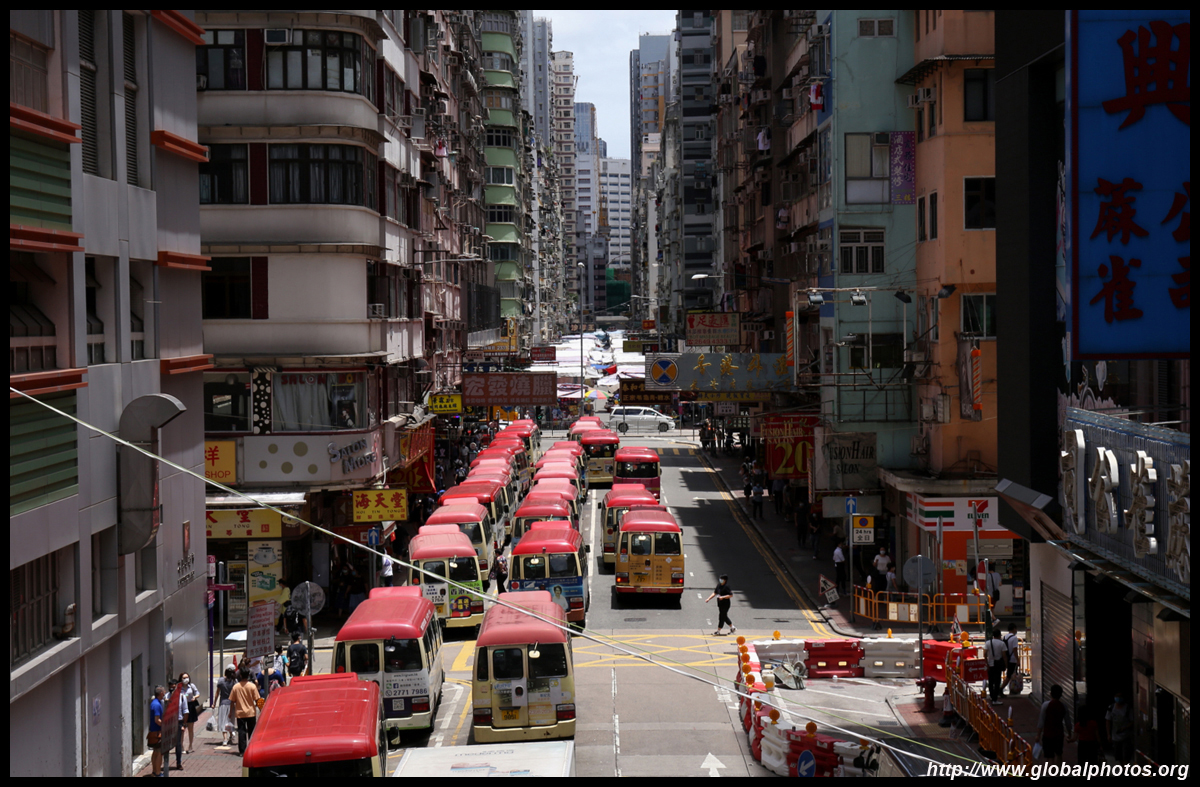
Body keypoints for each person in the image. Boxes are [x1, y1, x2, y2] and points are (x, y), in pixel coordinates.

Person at [1036, 684, 1070, 764]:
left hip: (1048, 734)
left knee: (1050, 756)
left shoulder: (1045, 705)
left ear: (1051, 694)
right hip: (1059, 734)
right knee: (1059, 754)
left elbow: (1041, 722)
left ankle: (1052, 774)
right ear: (1061, 694)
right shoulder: (1064, 706)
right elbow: (1068, 722)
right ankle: (1057, 775)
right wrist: (1069, 734)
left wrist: (1038, 735)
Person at [230, 667, 260, 756]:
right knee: (251, 732)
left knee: (241, 732)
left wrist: (230, 713)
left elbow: (232, 701)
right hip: (251, 712)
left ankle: (242, 751)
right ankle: (252, 749)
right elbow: (257, 699)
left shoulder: (236, 687)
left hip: (240, 713)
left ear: (240, 675)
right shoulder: (252, 686)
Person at [1106, 692, 1134, 763]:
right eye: (1117, 697)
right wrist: (1109, 734)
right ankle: (1123, 769)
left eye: (1120, 697)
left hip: (1126, 736)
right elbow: (1108, 721)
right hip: (1115, 736)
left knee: (1126, 755)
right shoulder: (1111, 707)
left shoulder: (1127, 708)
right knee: (1118, 755)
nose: (1118, 699)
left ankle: (1125, 770)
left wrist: (1124, 728)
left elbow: (1132, 721)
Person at [179, 672, 202, 754]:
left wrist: (194, 697)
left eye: (187, 677)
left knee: (190, 728)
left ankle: (190, 745)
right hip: (182, 707)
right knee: (182, 728)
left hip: (190, 706)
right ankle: (181, 746)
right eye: (184, 678)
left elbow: (198, 693)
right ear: (181, 679)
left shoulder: (191, 686)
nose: (186, 679)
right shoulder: (179, 687)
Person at [985, 629, 1009, 705]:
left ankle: (992, 696)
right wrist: (1005, 665)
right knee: (997, 681)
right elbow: (1004, 656)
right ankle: (995, 699)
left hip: (990, 664)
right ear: (999, 635)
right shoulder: (1002, 644)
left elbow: (984, 654)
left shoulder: (988, 643)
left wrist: (987, 663)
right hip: (998, 665)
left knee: (991, 681)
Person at [215, 666, 236, 747]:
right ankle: (231, 736)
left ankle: (225, 739)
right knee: (230, 720)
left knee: (223, 721)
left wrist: (214, 703)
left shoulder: (221, 680)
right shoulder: (235, 681)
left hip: (223, 703)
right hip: (232, 704)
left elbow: (217, 693)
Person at [149, 685, 166, 776]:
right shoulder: (156, 705)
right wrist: (165, 726)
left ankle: (155, 771)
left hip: (154, 731)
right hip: (157, 732)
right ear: (161, 693)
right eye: (164, 692)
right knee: (159, 752)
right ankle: (158, 772)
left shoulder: (155, 703)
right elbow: (157, 720)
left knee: (155, 752)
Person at [999, 623, 1021, 694]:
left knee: (1010, 675)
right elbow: (1015, 650)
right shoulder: (1014, 638)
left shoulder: (1005, 637)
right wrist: (1018, 660)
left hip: (1007, 658)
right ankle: (1001, 689)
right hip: (1012, 659)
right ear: (1014, 629)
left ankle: (1012, 689)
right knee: (1009, 675)